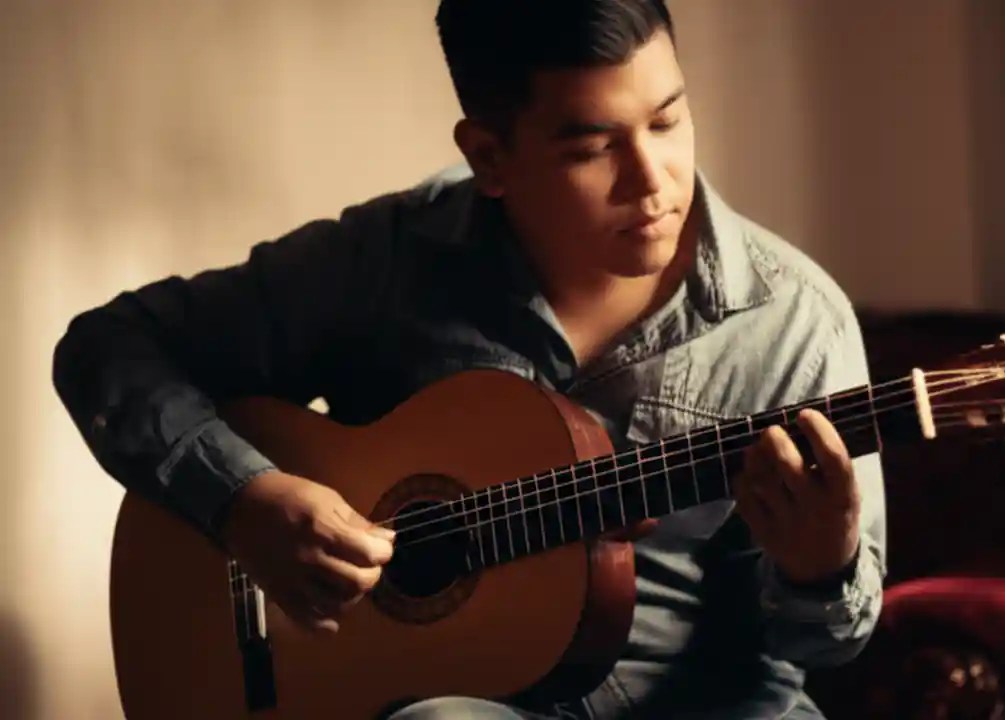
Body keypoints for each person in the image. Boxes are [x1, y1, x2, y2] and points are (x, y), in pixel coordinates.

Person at [52, 1, 887, 718]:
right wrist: (245, 500)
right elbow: (109, 347)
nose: (653, 180)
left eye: (668, 120)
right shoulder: (391, 259)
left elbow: (822, 645)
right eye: (592, 147)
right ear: (489, 155)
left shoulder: (793, 322)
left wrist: (823, 568)